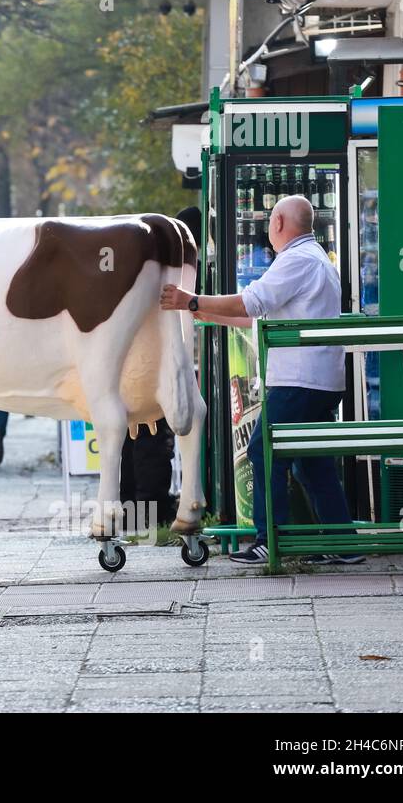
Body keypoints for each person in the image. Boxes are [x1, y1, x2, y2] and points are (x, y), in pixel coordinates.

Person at [160, 194, 362, 566]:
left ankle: (269, 541)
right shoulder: (315, 258)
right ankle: (344, 543)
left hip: (299, 380)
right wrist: (201, 312)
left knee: (262, 451)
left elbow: (249, 304)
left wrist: (191, 300)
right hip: (320, 380)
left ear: (280, 223)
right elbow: (255, 318)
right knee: (311, 462)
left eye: (271, 219)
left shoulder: (296, 259)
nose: (269, 226)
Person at [120, 205, 202, 532]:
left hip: (128, 366)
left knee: (129, 438)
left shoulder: (137, 269)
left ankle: (129, 510)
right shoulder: (175, 270)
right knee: (155, 440)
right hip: (156, 367)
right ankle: (152, 511)